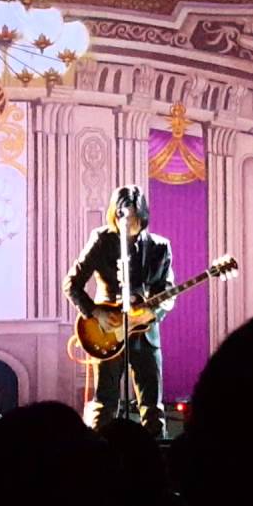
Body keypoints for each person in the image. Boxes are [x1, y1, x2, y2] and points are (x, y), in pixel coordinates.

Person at [64, 184, 174, 437]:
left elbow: (166, 293)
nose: (127, 224)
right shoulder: (102, 240)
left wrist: (155, 313)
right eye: (122, 218)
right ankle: (98, 461)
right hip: (107, 331)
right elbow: (71, 284)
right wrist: (95, 312)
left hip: (145, 334)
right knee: (105, 402)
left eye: (133, 218)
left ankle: (154, 461)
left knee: (152, 408)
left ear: (142, 216)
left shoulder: (160, 247)